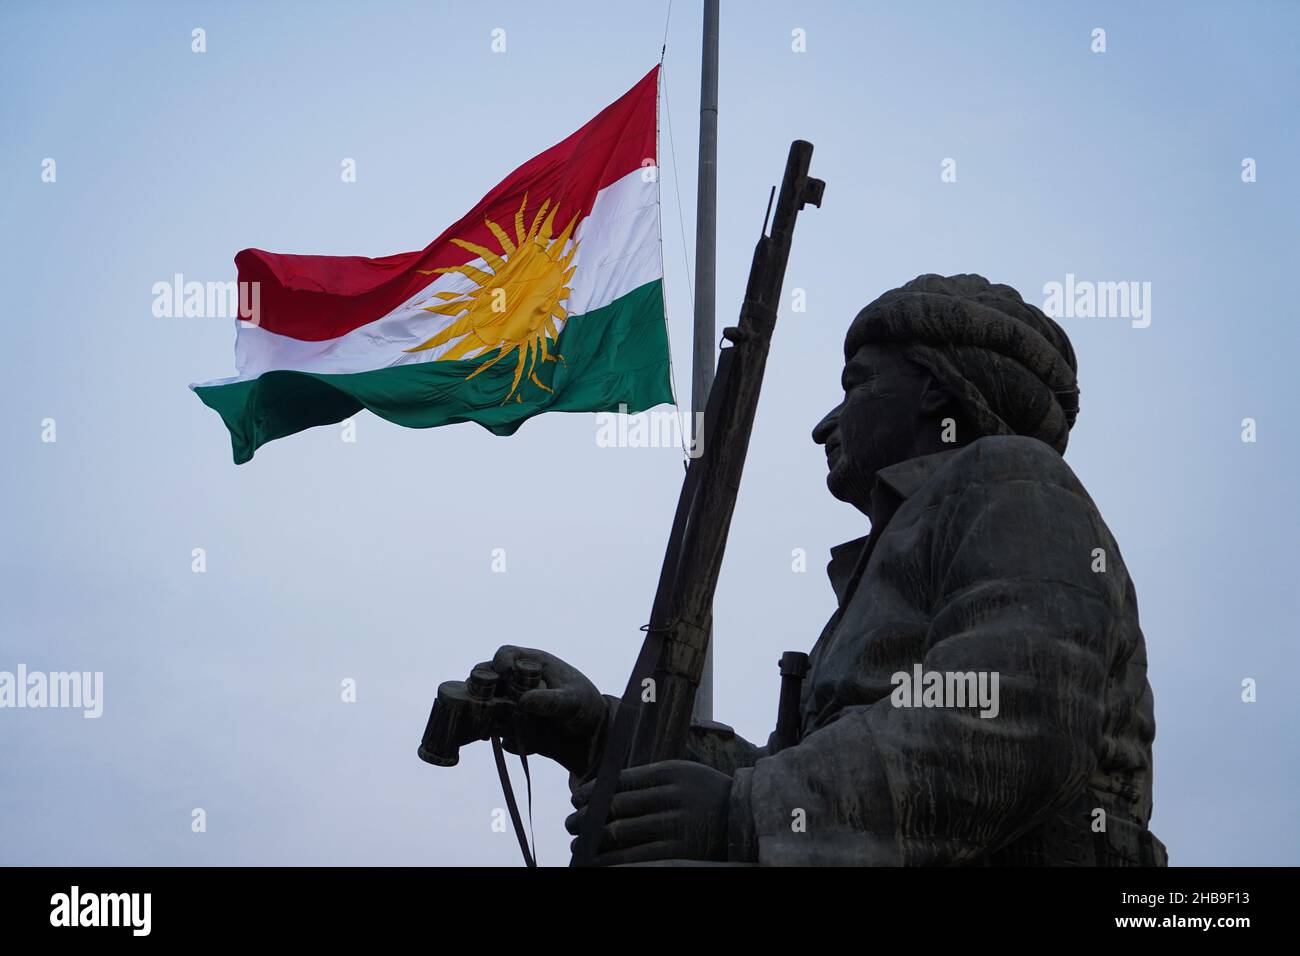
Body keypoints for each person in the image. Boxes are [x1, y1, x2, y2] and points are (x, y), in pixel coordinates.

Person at [488, 273, 1165, 866]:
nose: (825, 424)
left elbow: (1010, 720)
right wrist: (604, 732)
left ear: (935, 388)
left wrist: (744, 816)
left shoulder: (1014, 481)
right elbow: (786, 773)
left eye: (857, 384)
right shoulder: (902, 544)